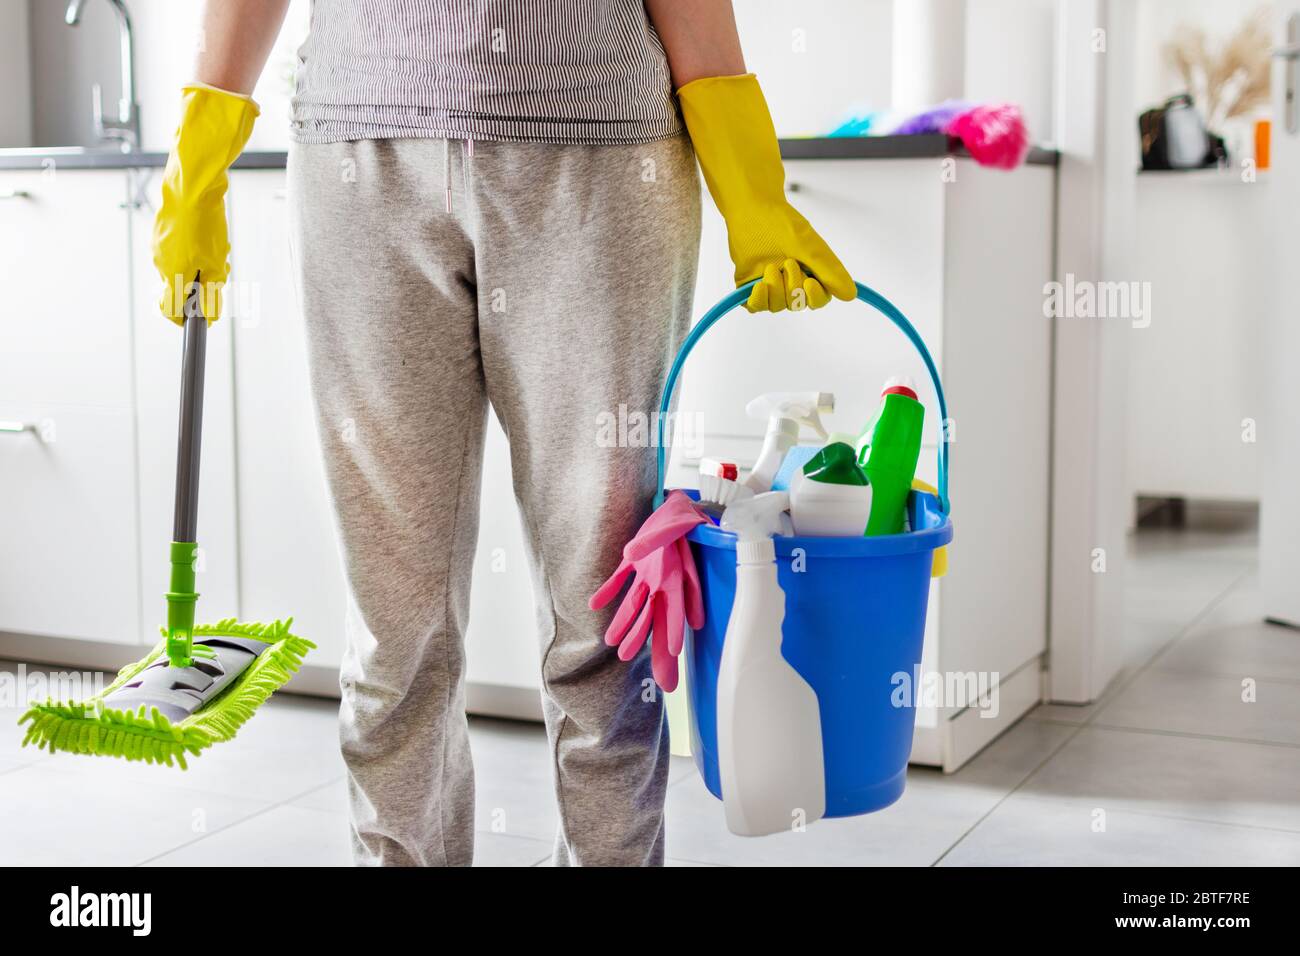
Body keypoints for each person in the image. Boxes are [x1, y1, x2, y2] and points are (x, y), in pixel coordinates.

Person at [152, 0, 852, 867]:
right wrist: (203, 137)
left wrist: (751, 182)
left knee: (605, 615)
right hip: (358, 160)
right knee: (392, 627)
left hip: (601, 149)